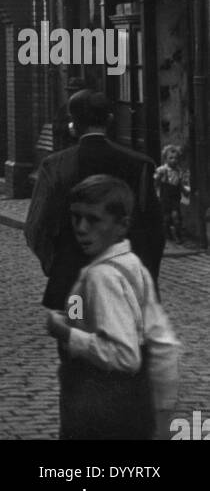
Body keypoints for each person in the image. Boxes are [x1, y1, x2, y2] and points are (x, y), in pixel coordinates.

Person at [44, 175, 179, 441]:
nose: (81, 228)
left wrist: (67, 334)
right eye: (75, 217)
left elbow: (124, 356)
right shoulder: (132, 265)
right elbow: (163, 342)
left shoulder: (102, 276)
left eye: (93, 220)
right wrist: (162, 411)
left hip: (98, 410)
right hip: (133, 408)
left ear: (122, 226)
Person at [25, 89, 165, 311]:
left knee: (74, 338)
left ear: (73, 125)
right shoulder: (140, 165)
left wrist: (57, 264)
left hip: (72, 281)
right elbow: (155, 232)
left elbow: (36, 227)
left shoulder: (55, 166)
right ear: (109, 120)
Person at [154, 145, 184, 243]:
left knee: (176, 216)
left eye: (176, 158)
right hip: (165, 197)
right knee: (166, 218)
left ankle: (178, 235)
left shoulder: (179, 171)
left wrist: (185, 191)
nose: (173, 160)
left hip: (175, 197)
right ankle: (168, 234)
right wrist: (156, 191)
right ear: (165, 159)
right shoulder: (162, 170)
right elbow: (156, 182)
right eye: (170, 158)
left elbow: (180, 184)